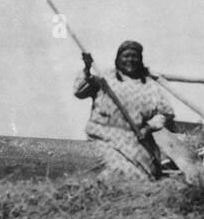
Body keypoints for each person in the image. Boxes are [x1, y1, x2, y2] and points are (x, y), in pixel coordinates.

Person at [74, 40, 175, 178]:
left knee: (144, 176)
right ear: (118, 59)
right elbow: (79, 92)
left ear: (140, 60)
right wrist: (87, 68)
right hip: (105, 136)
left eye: (135, 56)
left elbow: (165, 113)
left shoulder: (150, 86)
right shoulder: (105, 78)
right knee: (118, 171)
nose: (130, 60)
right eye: (126, 56)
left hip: (137, 140)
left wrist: (149, 127)